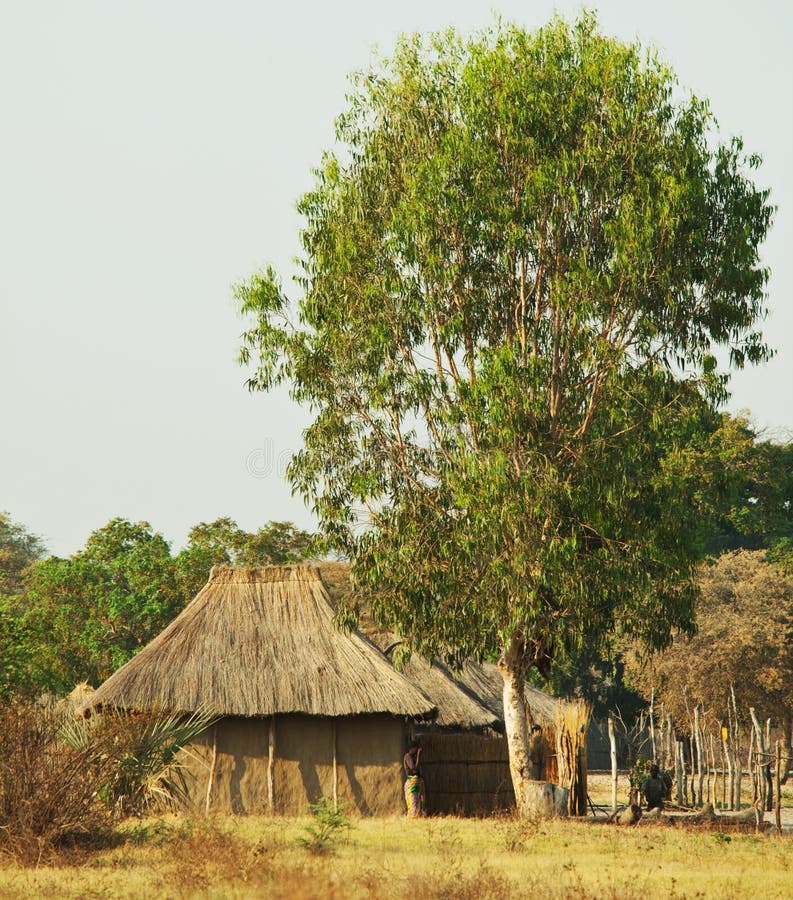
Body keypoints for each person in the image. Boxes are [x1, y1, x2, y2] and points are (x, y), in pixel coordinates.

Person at [403, 739, 426, 817]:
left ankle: (420, 815)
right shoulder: (407, 756)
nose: (417, 751)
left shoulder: (413, 757)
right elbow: (414, 769)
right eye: (416, 749)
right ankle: (414, 817)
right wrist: (419, 756)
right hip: (412, 781)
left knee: (420, 800)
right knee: (414, 800)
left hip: (417, 781)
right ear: (412, 748)